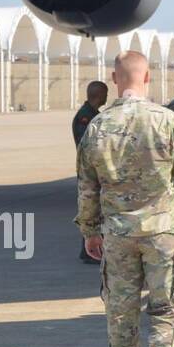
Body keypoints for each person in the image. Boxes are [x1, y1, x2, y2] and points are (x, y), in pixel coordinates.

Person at [75, 51, 174, 347]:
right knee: (168, 308)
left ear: (115, 79)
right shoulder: (167, 121)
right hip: (164, 232)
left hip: (118, 235)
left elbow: (87, 186)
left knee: (122, 312)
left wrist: (90, 230)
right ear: (147, 77)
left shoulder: (97, 127)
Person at [72, 81, 108, 265]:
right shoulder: (85, 117)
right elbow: (86, 145)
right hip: (90, 172)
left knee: (97, 210)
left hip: (95, 171)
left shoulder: (94, 115)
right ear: (99, 95)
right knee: (91, 211)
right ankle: (89, 251)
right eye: (105, 93)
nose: (107, 97)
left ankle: (93, 249)